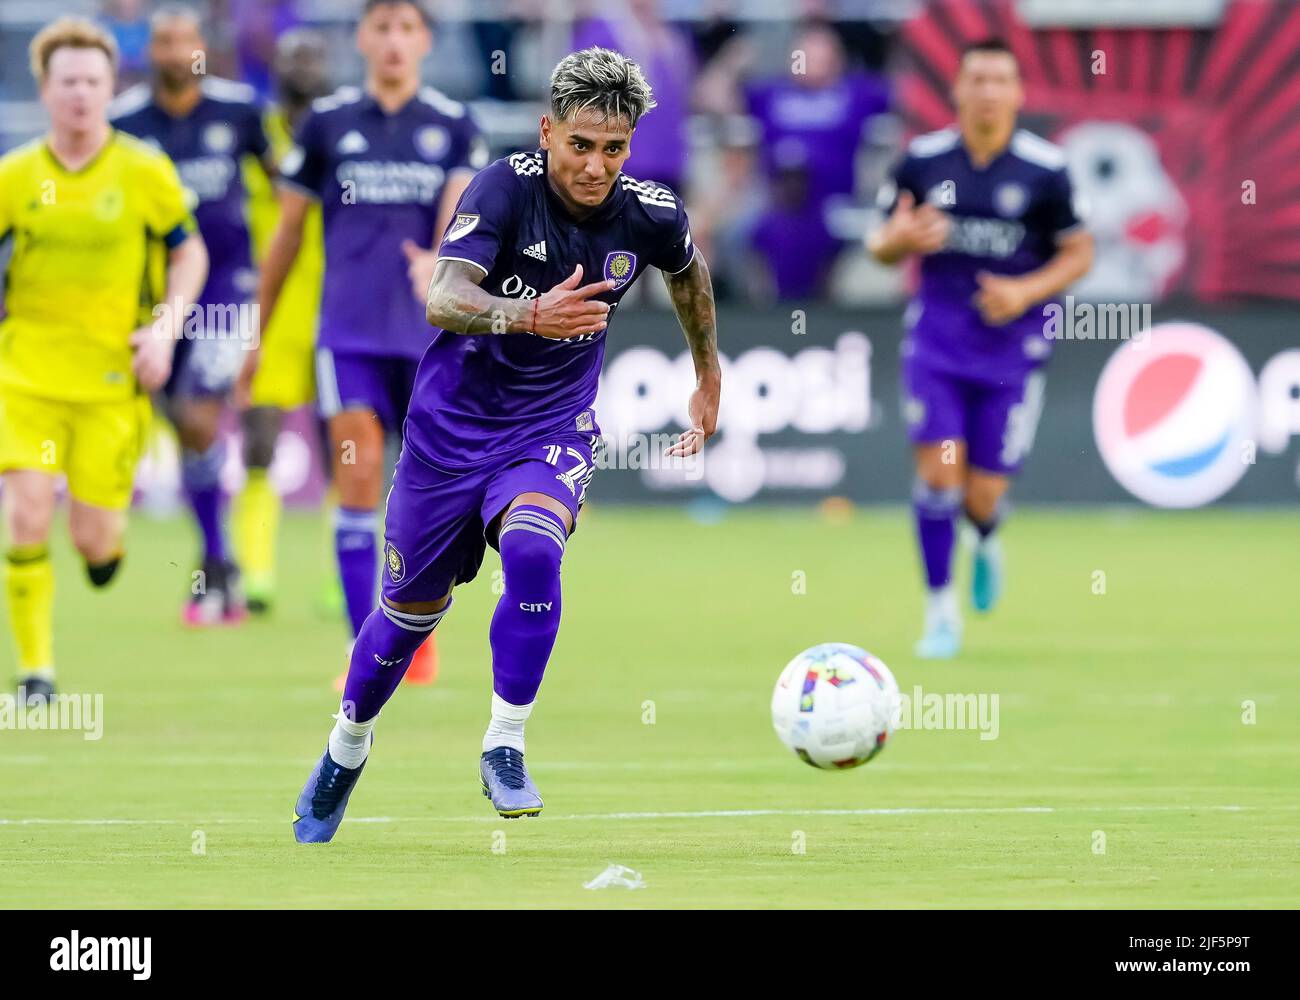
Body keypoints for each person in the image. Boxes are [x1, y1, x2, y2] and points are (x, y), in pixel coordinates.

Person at [291, 46, 721, 842]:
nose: (596, 166)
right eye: (581, 145)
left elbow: (689, 276)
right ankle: (347, 746)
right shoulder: (503, 187)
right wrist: (528, 315)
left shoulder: (651, 212)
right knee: (406, 616)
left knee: (532, 546)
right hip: (449, 433)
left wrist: (708, 374)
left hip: (550, 427)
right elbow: (442, 296)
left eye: (614, 149)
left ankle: (506, 744)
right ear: (548, 130)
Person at [237, 0, 485, 681]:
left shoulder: (454, 125)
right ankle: (367, 646)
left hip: (431, 338)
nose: (395, 41)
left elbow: (461, 211)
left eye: (408, 28)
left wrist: (438, 256)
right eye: (382, 28)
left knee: (429, 493)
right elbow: (287, 235)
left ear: (426, 40)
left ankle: (415, 622)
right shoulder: (328, 125)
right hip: (346, 335)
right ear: (364, 39)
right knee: (357, 473)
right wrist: (254, 330)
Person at [0, 17, 207, 701]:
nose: (82, 94)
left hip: (112, 379)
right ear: (46, 90)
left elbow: (189, 251)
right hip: (24, 373)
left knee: (93, 540)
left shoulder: (142, 170)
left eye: (93, 81)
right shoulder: (16, 175)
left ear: (111, 85)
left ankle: (103, 553)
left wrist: (165, 329)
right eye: (69, 82)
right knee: (25, 510)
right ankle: (36, 672)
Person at [867, 38, 1094, 659]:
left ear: (1018, 94)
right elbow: (878, 243)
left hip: (1012, 356)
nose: (988, 91)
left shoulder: (1046, 170)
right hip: (937, 348)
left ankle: (987, 535)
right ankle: (941, 612)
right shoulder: (921, 162)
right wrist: (900, 239)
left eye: (1000, 80)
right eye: (977, 79)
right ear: (958, 90)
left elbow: (1080, 251)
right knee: (940, 474)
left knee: (981, 494)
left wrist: (1026, 291)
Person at [112, 4, 277, 626]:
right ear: (149, 51)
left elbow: (284, 185)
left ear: (201, 48)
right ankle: (217, 555)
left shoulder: (239, 110)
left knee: (198, 413)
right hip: (155, 295)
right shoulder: (124, 124)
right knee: (180, 425)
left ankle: (215, 559)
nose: (176, 52)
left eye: (185, 40)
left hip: (227, 291)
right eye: (163, 42)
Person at [234, 27, 332, 617]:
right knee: (260, 443)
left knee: (342, 444)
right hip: (271, 312)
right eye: (295, 55)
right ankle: (257, 575)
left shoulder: (343, 138)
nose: (305, 64)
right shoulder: (256, 136)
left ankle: (334, 580)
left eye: (314, 55)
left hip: (332, 309)